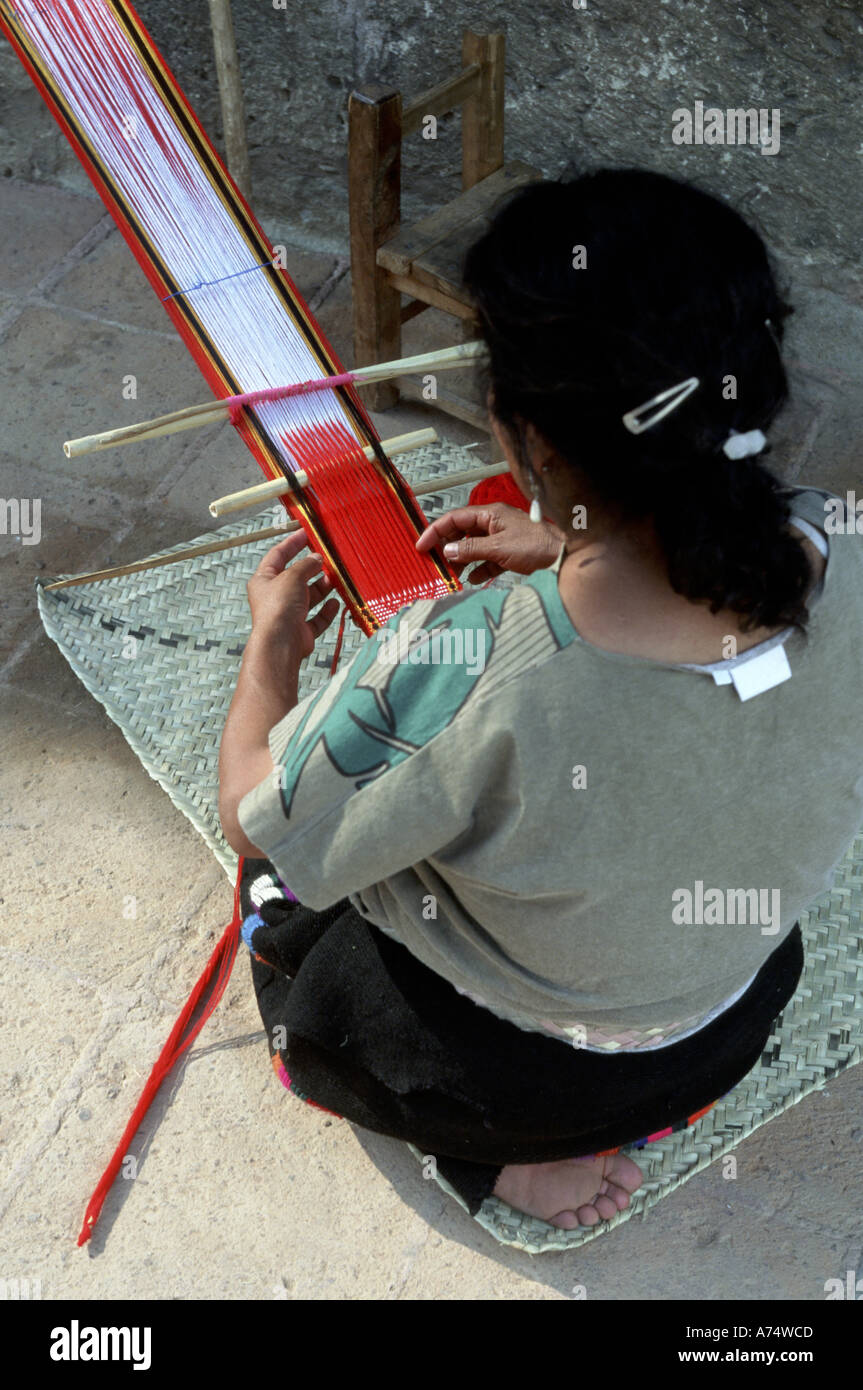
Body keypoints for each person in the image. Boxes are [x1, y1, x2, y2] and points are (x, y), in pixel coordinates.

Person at [219, 169, 863, 1230]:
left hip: (528, 1079)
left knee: (285, 916)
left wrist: (271, 649)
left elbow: (255, 811)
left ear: (525, 438)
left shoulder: (467, 661)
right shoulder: (838, 554)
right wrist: (578, 542)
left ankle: (501, 1161)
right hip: (729, 1016)